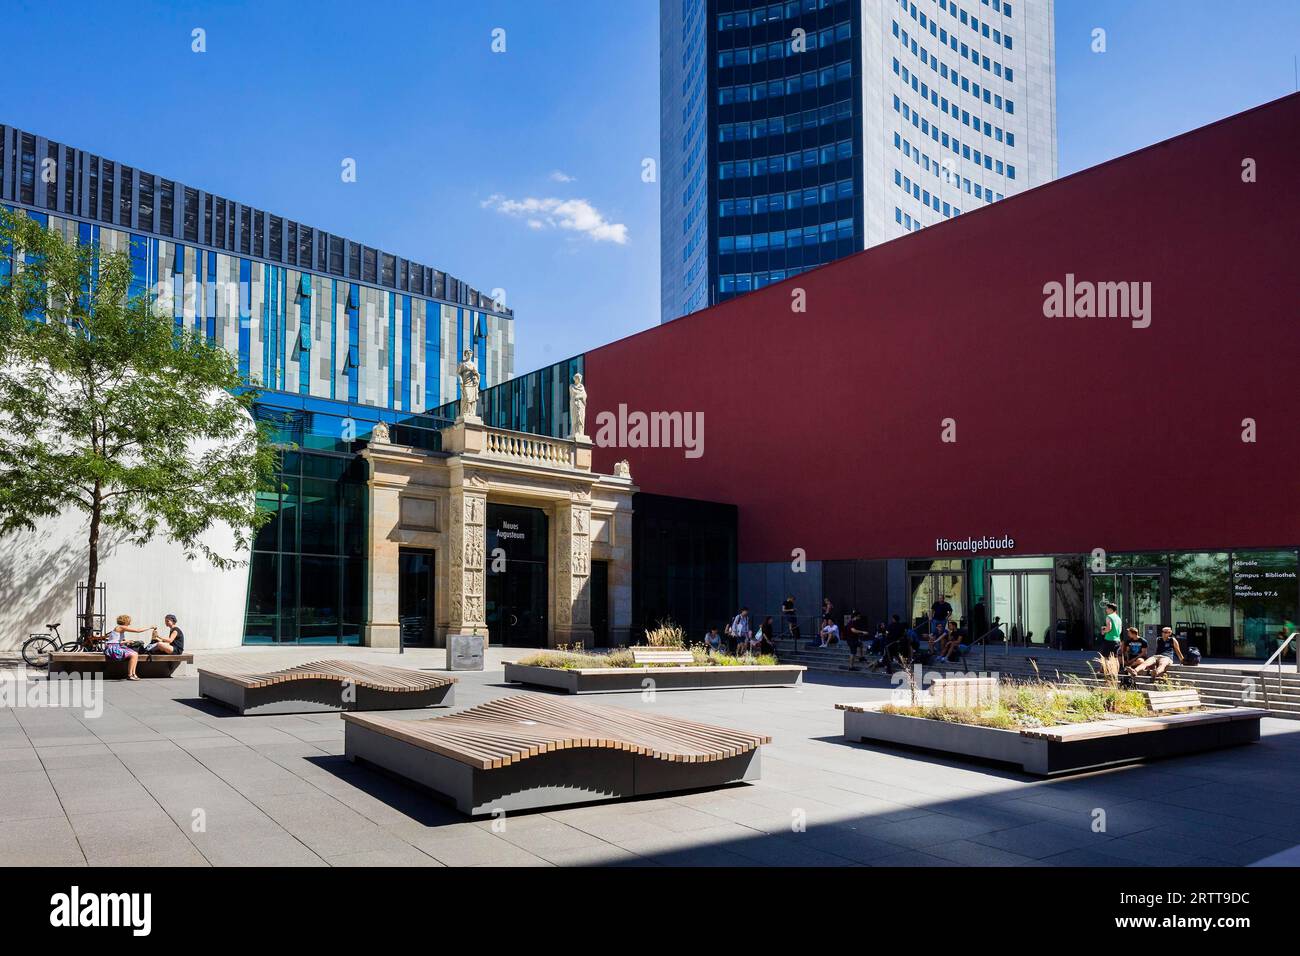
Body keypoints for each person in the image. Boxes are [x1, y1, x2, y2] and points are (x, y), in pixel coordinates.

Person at [101, 614, 150, 680]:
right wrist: (150, 627)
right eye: (129, 621)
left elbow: (116, 641)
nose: (130, 622)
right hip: (113, 648)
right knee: (133, 654)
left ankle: (133, 674)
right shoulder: (121, 627)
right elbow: (138, 630)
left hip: (115, 646)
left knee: (135, 654)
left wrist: (127, 641)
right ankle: (130, 675)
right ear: (125, 621)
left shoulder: (120, 628)